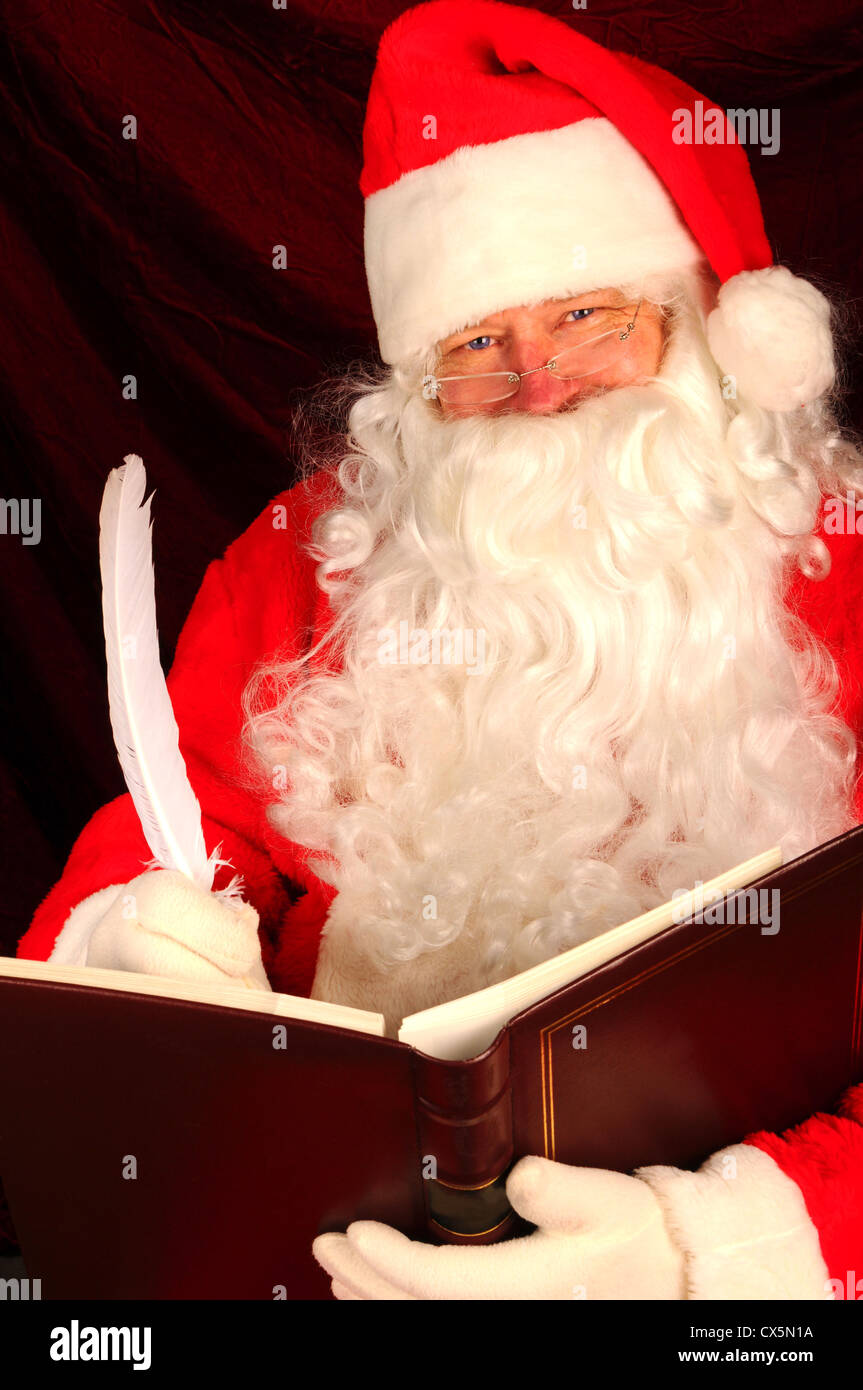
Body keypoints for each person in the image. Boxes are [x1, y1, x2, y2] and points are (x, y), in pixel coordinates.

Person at [15, 0, 863, 1299]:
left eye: (589, 315)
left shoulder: (849, 560)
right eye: (476, 345)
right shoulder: (312, 551)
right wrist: (136, 936)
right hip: (340, 1241)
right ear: (414, 385)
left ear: (704, 323)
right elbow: (179, 813)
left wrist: (724, 1252)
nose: (539, 385)